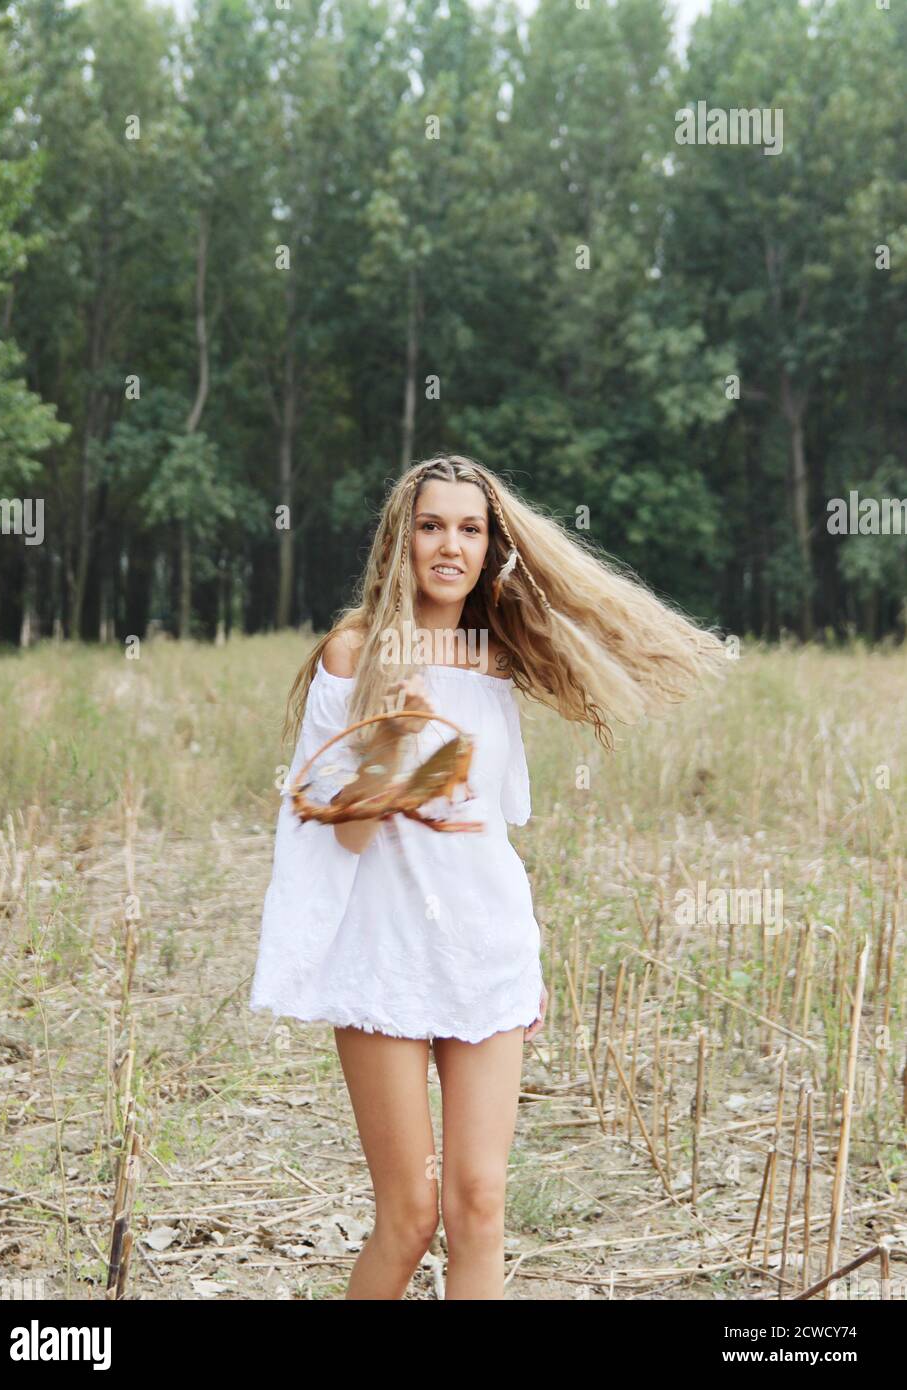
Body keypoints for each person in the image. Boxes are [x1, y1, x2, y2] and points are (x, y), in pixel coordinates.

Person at [250, 453, 727, 1299]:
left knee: (479, 1207)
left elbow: (488, 835)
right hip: (382, 955)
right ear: (399, 539)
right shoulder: (354, 654)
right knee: (410, 1216)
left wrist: (525, 957)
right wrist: (396, 733)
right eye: (431, 526)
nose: (450, 545)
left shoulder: (496, 659)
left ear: (490, 548)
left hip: (485, 951)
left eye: (469, 529)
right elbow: (340, 833)